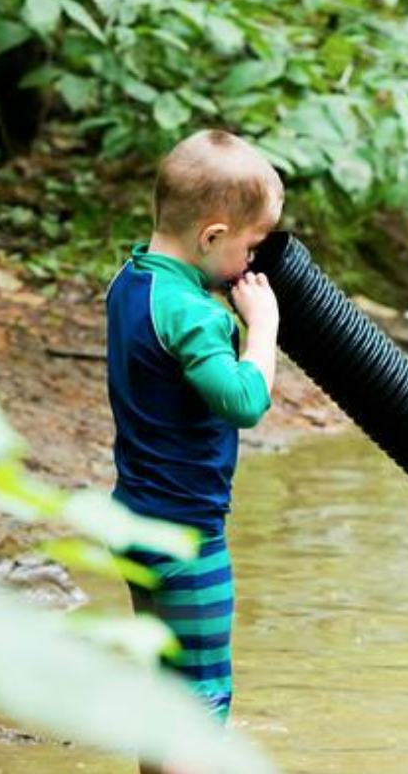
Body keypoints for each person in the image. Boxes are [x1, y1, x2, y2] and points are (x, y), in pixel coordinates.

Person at [105, 128, 283, 726]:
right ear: (212, 236)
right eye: (251, 246)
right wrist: (262, 326)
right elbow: (242, 400)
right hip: (188, 539)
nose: (252, 262)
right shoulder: (195, 314)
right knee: (203, 706)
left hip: (132, 518)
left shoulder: (131, 283)